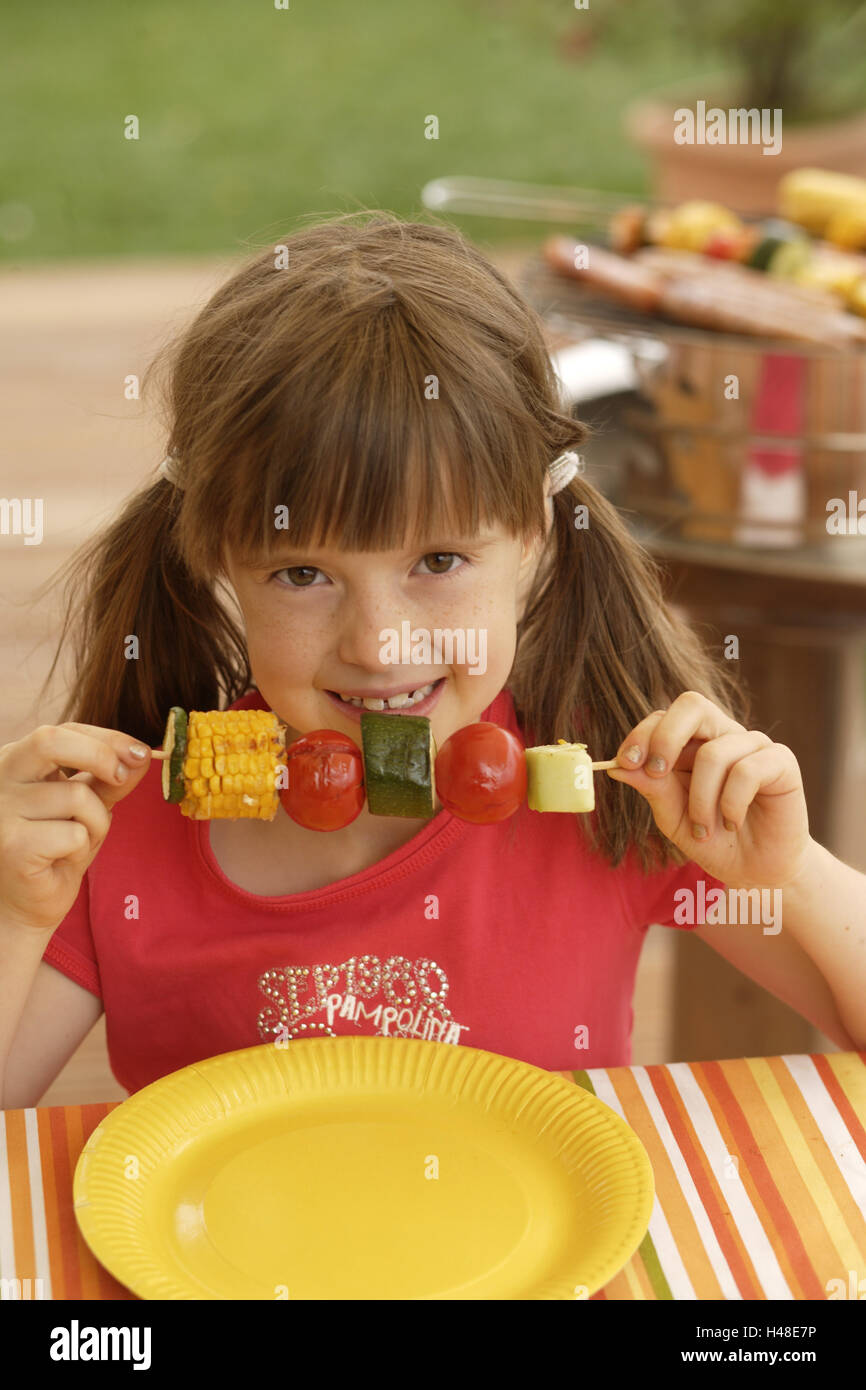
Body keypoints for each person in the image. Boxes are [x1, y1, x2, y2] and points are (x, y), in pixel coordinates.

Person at [1, 212, 864, 1108]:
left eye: (439, 562)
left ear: (535, 533)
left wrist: (792, 875)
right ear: (217, 555)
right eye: (303, 573)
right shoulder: (118, 832)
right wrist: (11, 916)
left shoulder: (625, 796)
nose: (380, 643)